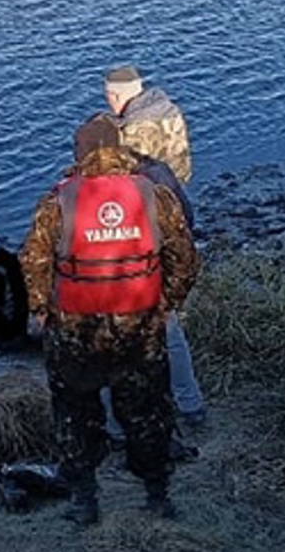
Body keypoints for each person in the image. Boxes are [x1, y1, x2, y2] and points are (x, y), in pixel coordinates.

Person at [19, 115, 200, 525]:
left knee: (76, 416)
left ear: (79, 154)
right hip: (140, 326)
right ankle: (158, 498)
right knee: (148, 414)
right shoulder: (154, 195)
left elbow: (33, 263)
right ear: (119, 148)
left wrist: (41, 310)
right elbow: (185, 258)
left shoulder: (57, 202)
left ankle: (86, 502)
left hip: (75, 329)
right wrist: (167, 301)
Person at [105, 65, 207, 430]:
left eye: (110, 95)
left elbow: (124, 186)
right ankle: (189, 402)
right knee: (168, 323)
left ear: (118, 95)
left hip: (142, 232)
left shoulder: (131, 131)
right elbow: (181, 168)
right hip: (176, 208)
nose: (108, 101)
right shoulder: (167, 109)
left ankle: (125, 418)